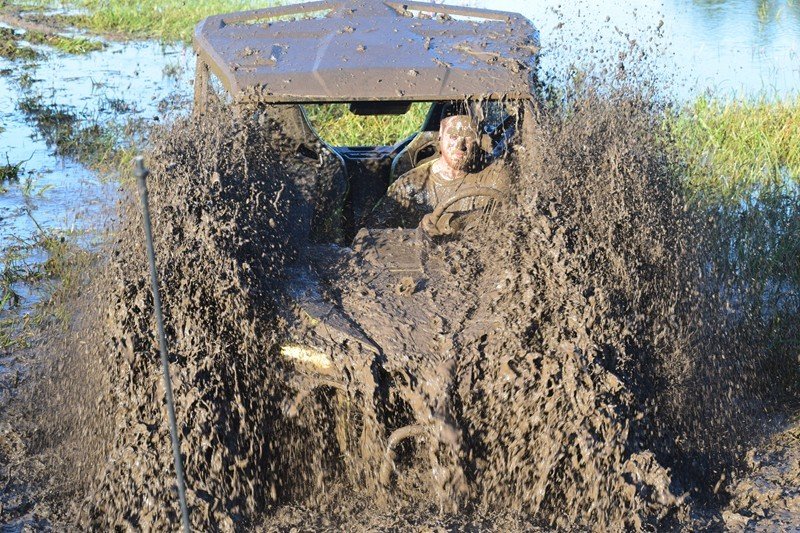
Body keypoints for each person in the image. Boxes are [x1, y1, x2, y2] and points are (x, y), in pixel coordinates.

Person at [372, 104, 511, 235]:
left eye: (468, 137)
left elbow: (510, 217)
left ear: (480, 140)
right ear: (440, 135)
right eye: (454, 136)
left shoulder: (494, 176)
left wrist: (455, 221)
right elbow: (373, 231)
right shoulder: (411, 184)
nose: (460, 146)